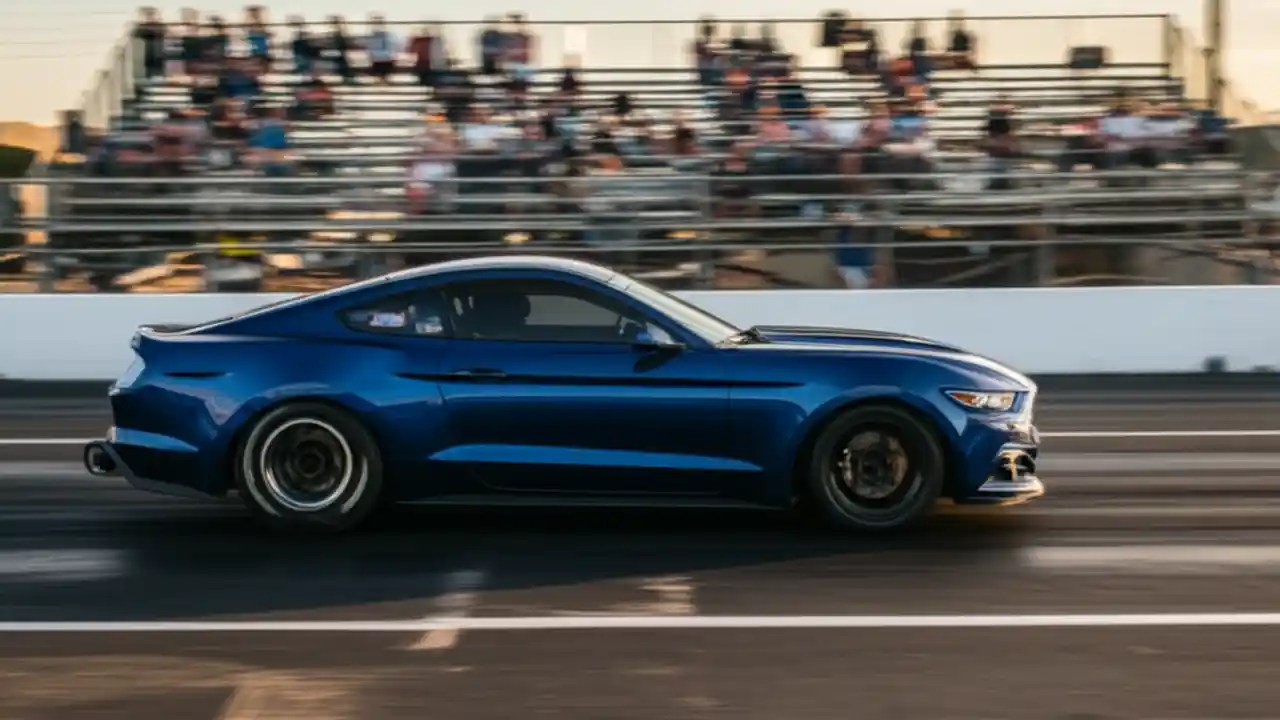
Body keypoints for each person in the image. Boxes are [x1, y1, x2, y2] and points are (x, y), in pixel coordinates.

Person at [133, 7, 167, 80]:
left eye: (151, 15)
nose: (150, 17)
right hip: (144, 58)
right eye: (148, 15)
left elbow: (162, 32)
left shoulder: (160, 27)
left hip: (156, 58)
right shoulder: (139, 28)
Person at [365, 14, 399, 85]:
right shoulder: (385, 35)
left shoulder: (380, 35)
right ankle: (382, 79)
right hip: (383, 59)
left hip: (381, 59)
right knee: (383, 64)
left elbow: (370, 49)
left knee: (381, 64)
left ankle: (381, 79)